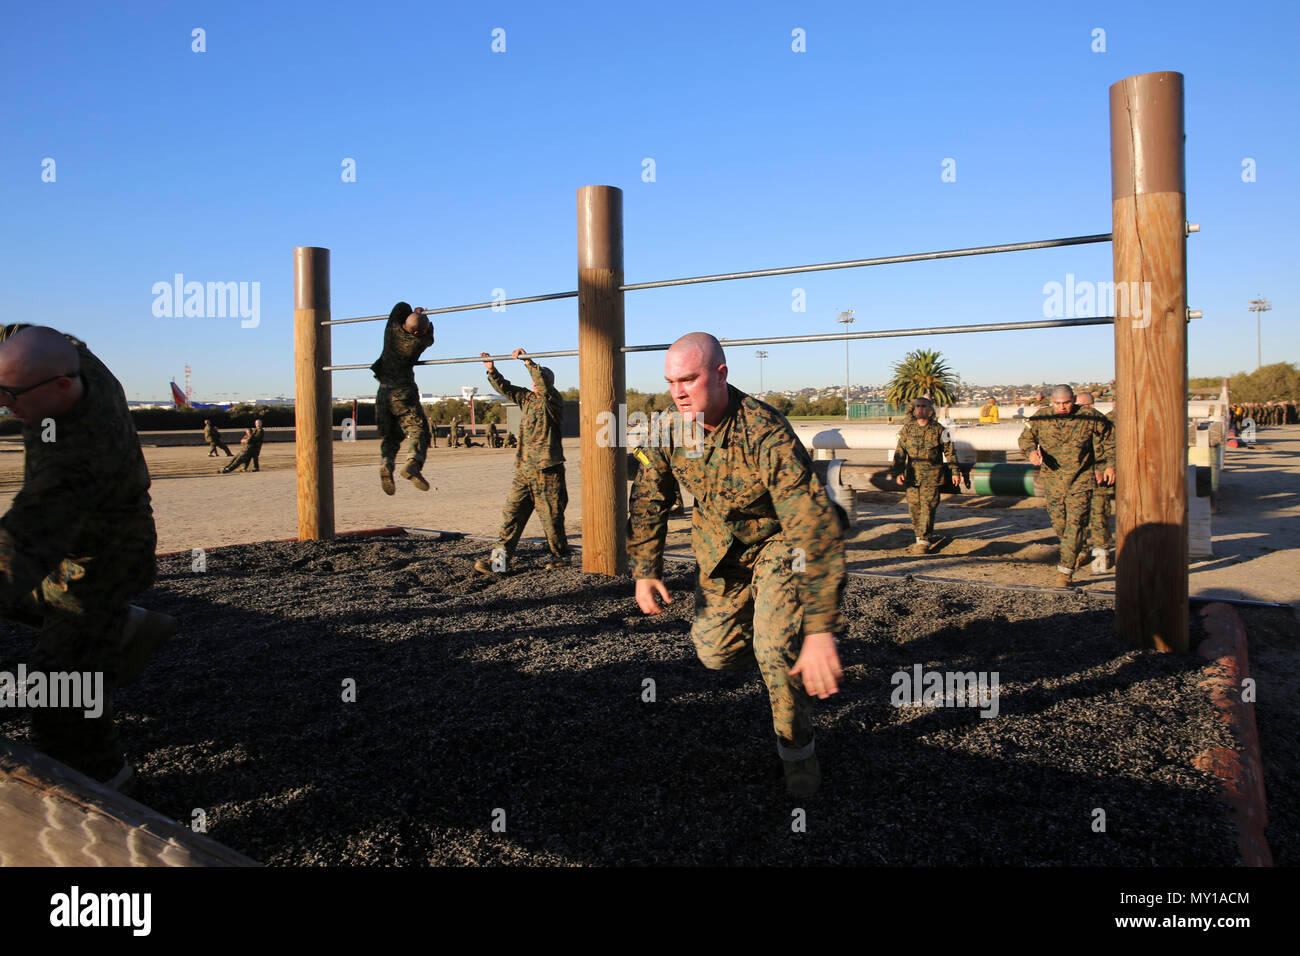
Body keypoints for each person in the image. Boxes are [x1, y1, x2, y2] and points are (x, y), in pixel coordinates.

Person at [628, 332, 845, 797]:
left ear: (721, 375)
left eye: (689, 379)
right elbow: (649, 497)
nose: (678, 392)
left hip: (778, 545)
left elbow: (810, 523)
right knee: (715, 653)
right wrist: (646, 570)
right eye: (671, 382)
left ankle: (797, 751)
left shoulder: (765, 432)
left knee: (774, 649)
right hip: (720, 555)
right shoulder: (669, 428)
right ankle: (776, 644)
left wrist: (821, 628)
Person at [0, 325, 176, 791]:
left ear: (59, 386)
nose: (5, 405)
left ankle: (102, 786)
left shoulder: (75, 454)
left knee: (59, 688)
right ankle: (125, 626)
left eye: (12, 395)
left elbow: (20, 548)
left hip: (103, 558)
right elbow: (19, 337)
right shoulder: (59, 358)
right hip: (70, 543)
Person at [474, 349, 571, 574]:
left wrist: (527, 361)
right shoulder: (527, 398)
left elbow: (544, 385)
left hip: (547, 471)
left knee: (552, 521)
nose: (535, 384)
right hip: (524, 471)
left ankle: (561, 557)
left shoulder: (553, 401)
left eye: (540, 380)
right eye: (535, 381)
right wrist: (491, 370)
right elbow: (505, 389)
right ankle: (498, 562)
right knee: (510, 517)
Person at [1018, 385, 1114, 588]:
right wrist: (1030, 453)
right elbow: (1025, 439)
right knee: (1060, 526)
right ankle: (1078, 551)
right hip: (1053, 482)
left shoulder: (1089, 416)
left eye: (1067, 403)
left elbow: (1110, 439)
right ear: (1051, 402)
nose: (1062, 407)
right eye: (1058, 403)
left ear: (1074, 400)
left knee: (1076, 524)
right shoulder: (1040, 418)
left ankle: (1065, 572)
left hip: (1081, 480)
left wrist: (1108, 465)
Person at [369, 301, 433, 495]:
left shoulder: (391, 330)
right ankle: (413, 463)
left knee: (391, 435)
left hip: (383, 393)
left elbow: (400, 306)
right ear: (417, 333)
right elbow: (429, 335)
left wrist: (415, 312)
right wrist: (423, 319)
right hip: (403, 391)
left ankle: (387, 462)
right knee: (418, 429)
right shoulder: (417, 343)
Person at [891, 396, 961, 554]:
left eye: (923, 406)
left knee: (928, 508)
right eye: (917, 406)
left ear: (930, 410)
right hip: (912, 477)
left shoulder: (940, 430)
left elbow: (950, 452)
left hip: (932, 477)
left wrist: (955, 471)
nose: (920, 409)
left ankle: (924, 540)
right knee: (914, 508)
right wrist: (898, 472)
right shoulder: (907, 429)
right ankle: (919, 537)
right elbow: (900, 453)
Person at [1075, 391, 1115, 570]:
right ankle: (1081, 551)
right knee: (1077, 517)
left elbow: (1111, 449)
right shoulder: (1072, 426)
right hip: (1078, 478)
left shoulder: (1103, 424)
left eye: (1084, 406)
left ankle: (1101, 551)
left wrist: (1105, 468)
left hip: (1099, 478)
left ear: (1091, 406)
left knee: (1099, 516)